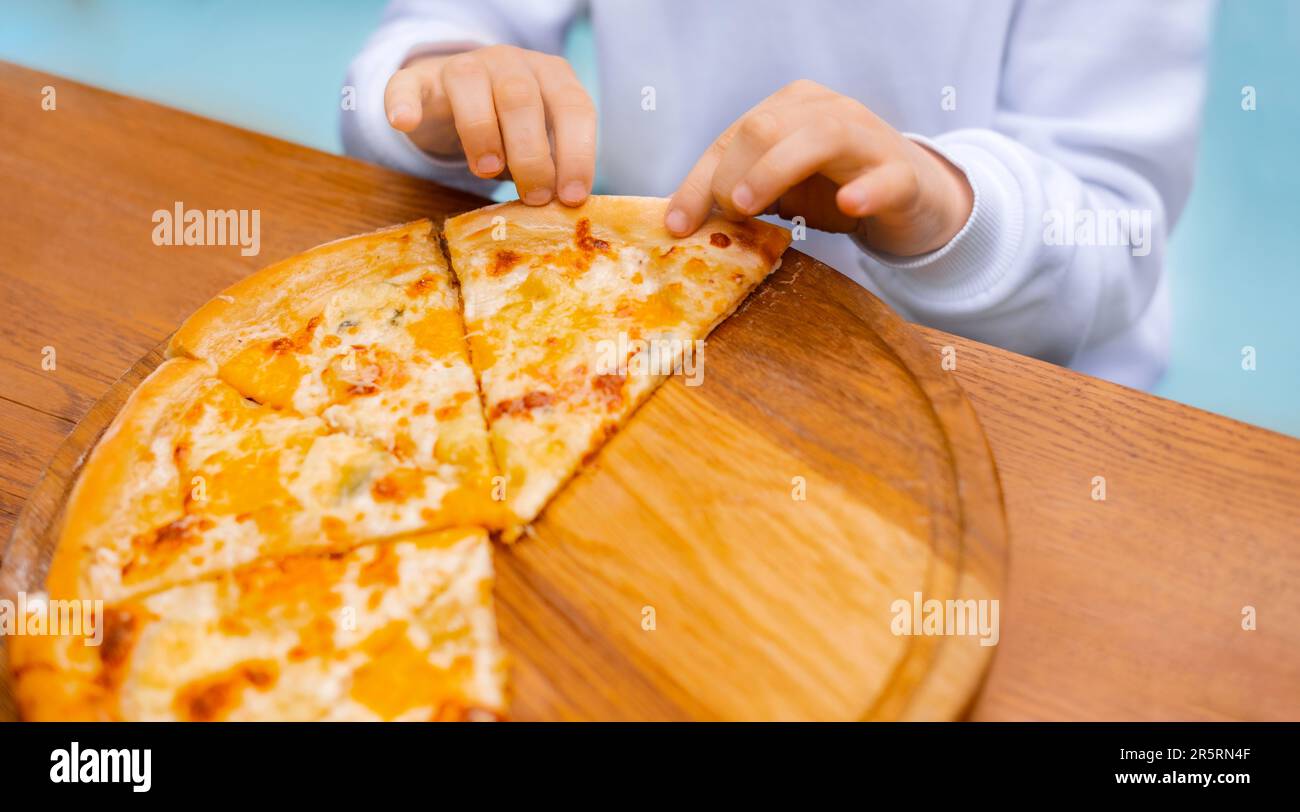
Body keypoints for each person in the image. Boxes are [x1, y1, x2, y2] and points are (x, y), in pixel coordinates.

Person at [342, 0, 1213, 389]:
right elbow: (441, 36)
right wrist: (440, 90)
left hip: (1010, 390)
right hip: (668, 348)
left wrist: (942, 209)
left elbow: (1117, 234)